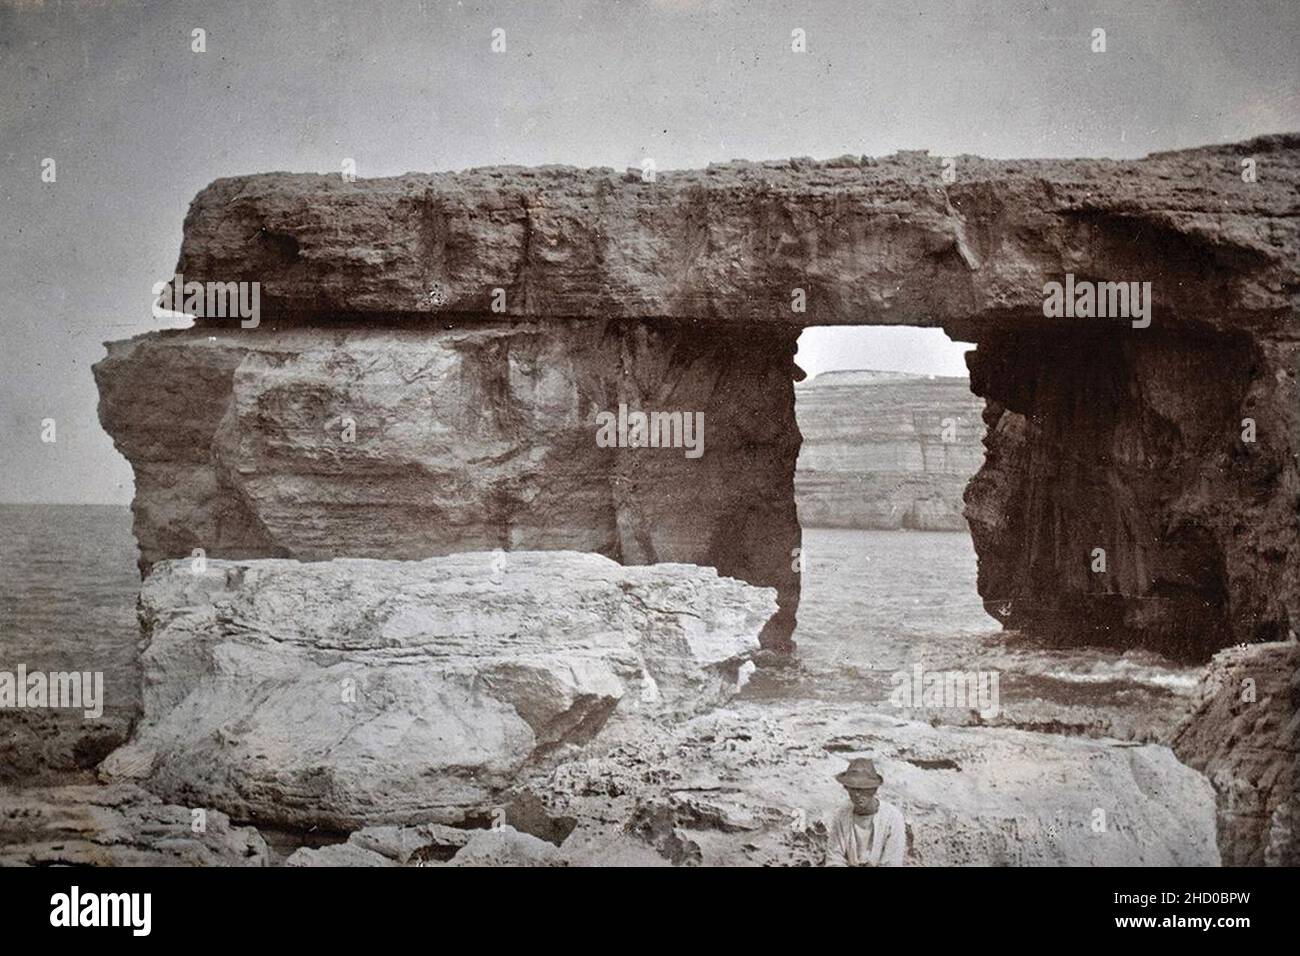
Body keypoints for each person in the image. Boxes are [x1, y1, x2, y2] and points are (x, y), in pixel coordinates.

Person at [826, 758, 906, 866]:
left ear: (874, 789)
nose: (857, 794)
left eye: (863, 789)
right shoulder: (841, 816)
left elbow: (892, 861)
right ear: (847, 788)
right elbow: (834, 857)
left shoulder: (892, 817)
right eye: (853, 789)